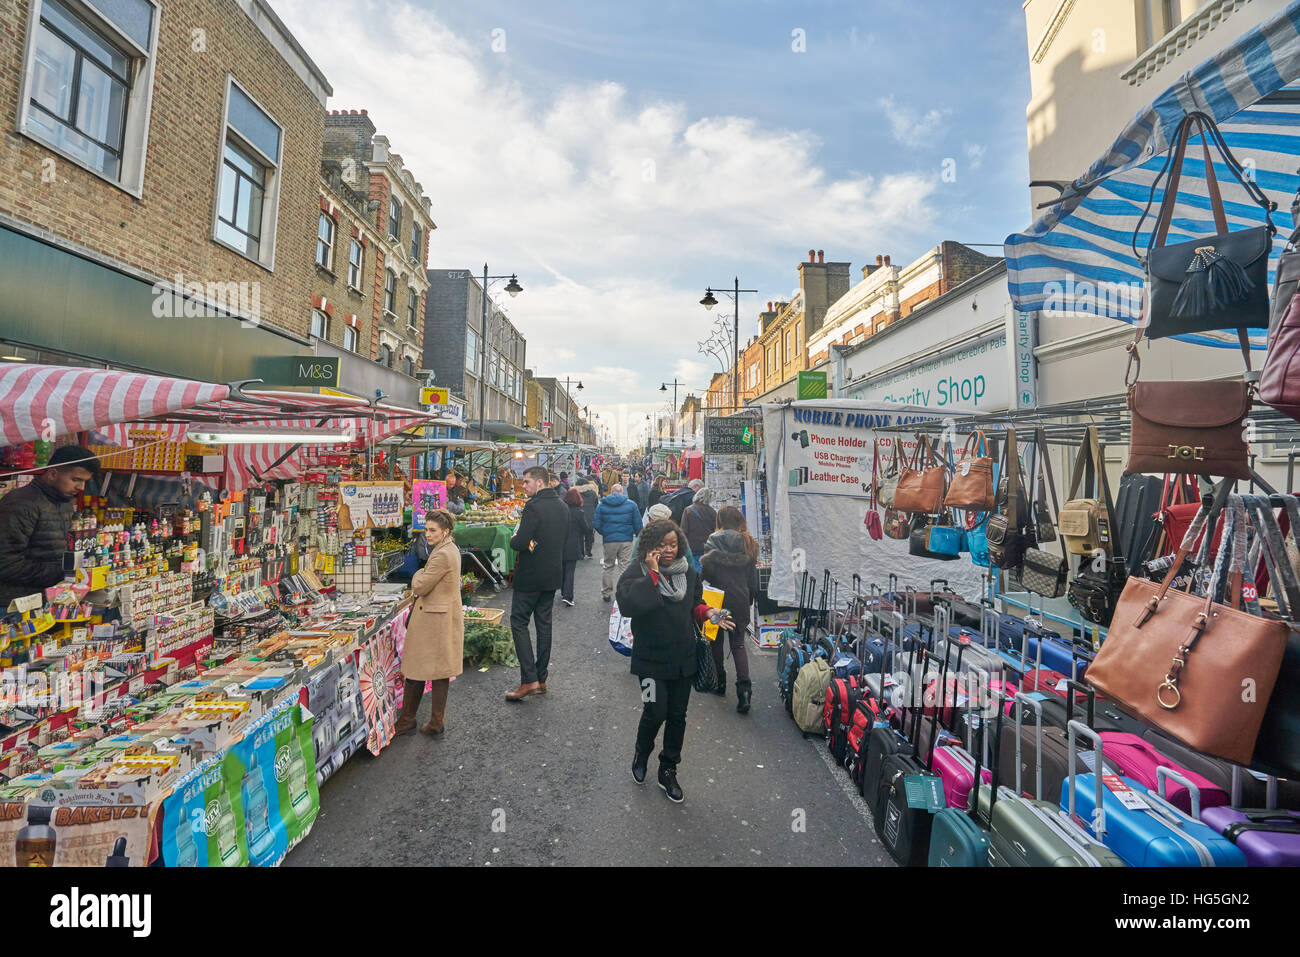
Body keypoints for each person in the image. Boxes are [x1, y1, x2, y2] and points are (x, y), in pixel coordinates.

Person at [616, 519, 734, 803]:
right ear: (649, 547)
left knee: (678, 717)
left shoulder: (689, 573)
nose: (668, 550)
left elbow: (694, 604)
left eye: (672, 544)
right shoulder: (637, 571)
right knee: (654, 712)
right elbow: (628, 605)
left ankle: (668, 769)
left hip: (683, 658)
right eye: (661, 545)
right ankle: (641, 753)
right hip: (648, 660)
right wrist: (653, 575)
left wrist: (708, 613)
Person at [0, 445, 98, 608]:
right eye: (76, 479)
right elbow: (5, 562)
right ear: (53, 474)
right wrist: (63, 572)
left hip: (48, 600)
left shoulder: (64, 503)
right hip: (15, 605)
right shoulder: (21, 504)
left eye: (84, 482)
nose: (81, 488)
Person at [397, 509, 464, 735]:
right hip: (442, 616)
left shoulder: (443, 554)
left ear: (445, 531)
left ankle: (408, 719)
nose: (428, 534)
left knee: (416, 668)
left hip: (433, 618)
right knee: (440, 671)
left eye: (433, 530)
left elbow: (420, 586)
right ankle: (434, 721)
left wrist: (417, 574)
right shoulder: (449, 549)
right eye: (426, 530)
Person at [506, 466, 569, 701]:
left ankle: (529, 679)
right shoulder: (563, 506)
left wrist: (516, 539)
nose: (523, 486)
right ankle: (541, 678)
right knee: (544, 624)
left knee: (519, 623)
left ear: (540, 483)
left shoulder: (533, 507)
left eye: (526, 482)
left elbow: (520, 542)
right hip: (552, 575)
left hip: (531, 575)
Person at [700, 506, 759, 714]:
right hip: (740, 599)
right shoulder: (748, 543)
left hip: (717, 598)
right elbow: (753, 579)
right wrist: (750, 599)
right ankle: (744, 691)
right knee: (738, 644)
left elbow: (706, 574)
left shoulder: (712, 541)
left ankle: (720, 682)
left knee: (715, 640)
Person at [592, 483, 642, 602]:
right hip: (626, 540)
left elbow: (596, 523)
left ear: (611, 491)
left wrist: (605, 532)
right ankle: (624, 591)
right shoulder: (631, 505)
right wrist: (636, 534)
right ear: (622, 492)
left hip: (609, 540)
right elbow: (638, 524)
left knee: (608, 566)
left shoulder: (602, 505)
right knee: (624, 566)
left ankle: (606, 593)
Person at [560, 488, 589, 606]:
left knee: (562, 568)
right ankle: (568, 596)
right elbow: (585, 528)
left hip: (560, 543)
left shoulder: (561, 510)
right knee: (570, 571)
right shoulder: (579, 512)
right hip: (573, 544)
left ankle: (563, 592)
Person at [680, 487, 717, 570]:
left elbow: (683, 531)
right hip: (708, 546)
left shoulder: (688, 510)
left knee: (695, 569)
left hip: (693, 546)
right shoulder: (712, 512)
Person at [573, 477, 599, 558]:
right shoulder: (593, 493)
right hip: (590, 515)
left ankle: (581, 552)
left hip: (579, 516)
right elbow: (596, 504)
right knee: (589, 534)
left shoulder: (575, 493)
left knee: (580, 535)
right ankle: (588, 551)